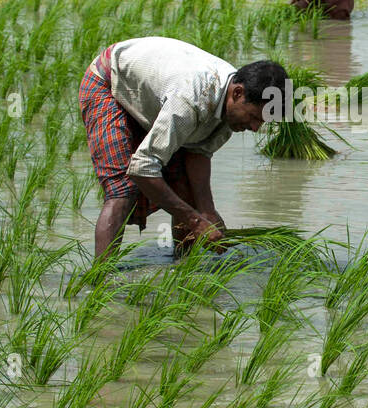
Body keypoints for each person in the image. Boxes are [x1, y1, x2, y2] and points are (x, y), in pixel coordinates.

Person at [78, 36, 287, 258]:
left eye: (262, 122)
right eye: (254, 117)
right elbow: (142, 168)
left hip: (153, 95)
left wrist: (207, 211)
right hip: (109, 81)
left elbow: (198, 151)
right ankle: (100, 280)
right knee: (122, 189)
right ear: (237, 93)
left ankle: (181, 270)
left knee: (187, 191)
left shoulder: (232, 112)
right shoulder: (190, 100)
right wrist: (195, 220)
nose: (255, 128)